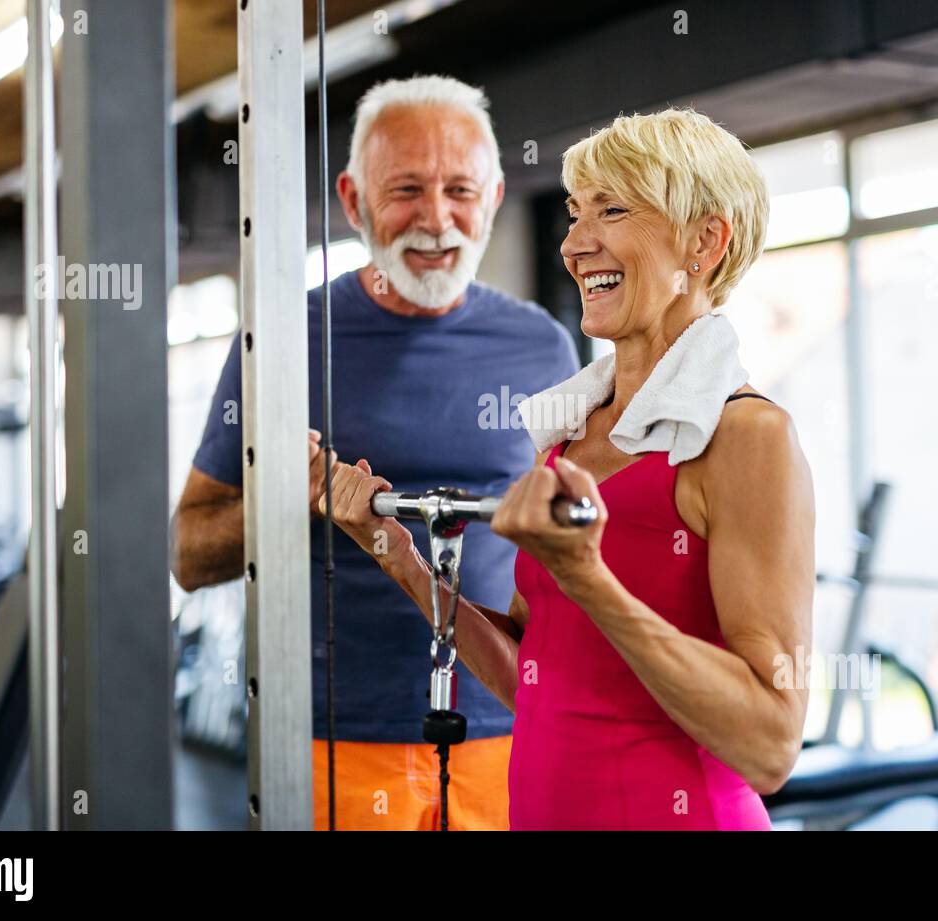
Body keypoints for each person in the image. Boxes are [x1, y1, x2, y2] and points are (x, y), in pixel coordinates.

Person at [315, 108, 815, 830]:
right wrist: (397, 556)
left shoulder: (747, 436)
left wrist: (588, 577)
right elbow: (539, 679)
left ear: (704, 241)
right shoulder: (568, 438)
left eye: (611, 210)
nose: (576, 244)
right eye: (576, 215)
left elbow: (770, 745)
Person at [171, 75, 579, 830]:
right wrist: (281, 500)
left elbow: (572, 547)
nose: (436, 219)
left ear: (492, 199)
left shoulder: (543, 346)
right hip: (334, 737)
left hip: (514, 729)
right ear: (354, 201)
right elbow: (189, 555)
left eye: (460, 189)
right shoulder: (284, 339)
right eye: (406, 190)